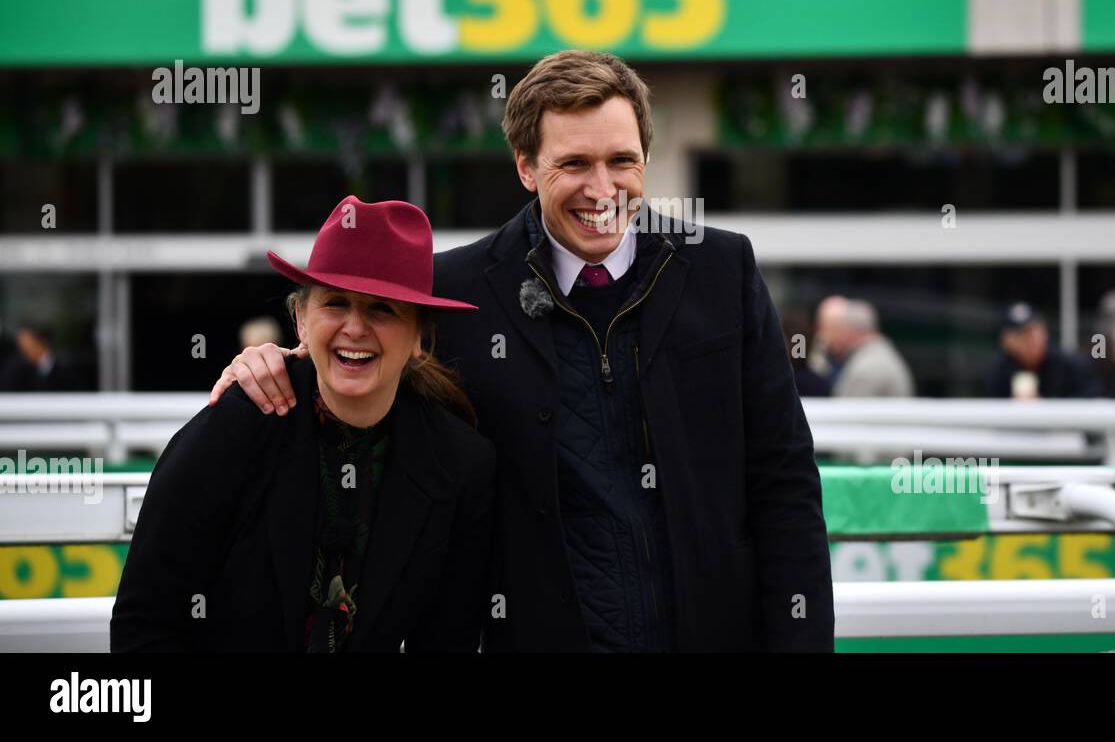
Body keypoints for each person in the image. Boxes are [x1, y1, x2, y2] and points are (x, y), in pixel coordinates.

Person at [210, 50, 834, 652]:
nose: (603, 189)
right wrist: (271, 365)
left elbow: (783, 479)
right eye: (574, 164)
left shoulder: (722, 268)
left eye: (622, 160)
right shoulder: (454, 292)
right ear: (526, 168)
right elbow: (358, 365)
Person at [112, 196, 495, 652]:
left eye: (382, 309)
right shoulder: (237, 426)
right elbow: (146, 620)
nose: (355, 327)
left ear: (420, 339)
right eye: (335, 304)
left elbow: (448, 641)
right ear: (300, 320)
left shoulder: (461, 465)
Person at [984, 302, 1099, 399]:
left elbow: (1093, 401)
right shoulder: (1000, 371)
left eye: (1036, 330)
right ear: (1007, 342)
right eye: (1023, 335)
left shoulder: (1071, 365)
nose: (1034, 339)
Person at [813, 297, 914, 398]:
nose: (832, 337)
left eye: (837, 329)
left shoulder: (868, 366)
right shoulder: (878, 355)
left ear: (850, 330)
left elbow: (847, 412)